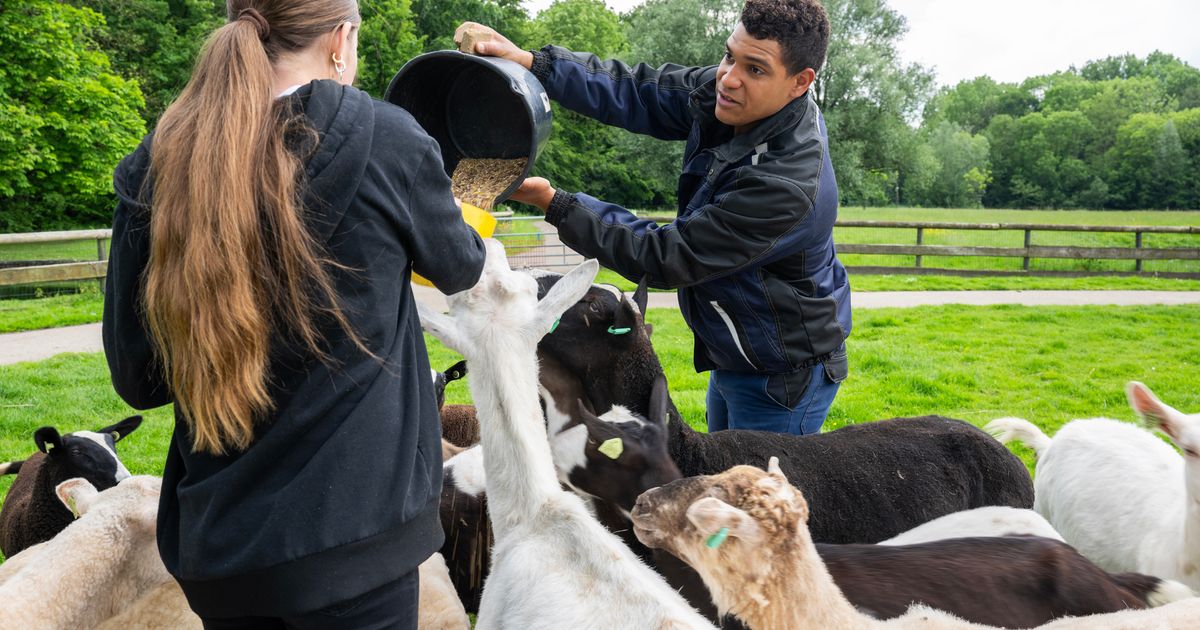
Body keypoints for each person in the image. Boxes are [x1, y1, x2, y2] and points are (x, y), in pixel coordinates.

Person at [102, 1, 486, 627]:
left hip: (223, 557)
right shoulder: (388, 139)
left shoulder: (159, 161)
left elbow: (138, 378)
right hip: (359, 545)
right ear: (341, 40)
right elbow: (462, 266)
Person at [459, 0, 850, 436]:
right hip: (738, 355)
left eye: (755, 70)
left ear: (801, 82)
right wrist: (535, 65)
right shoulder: (731, 95)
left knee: (755, 499)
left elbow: (665, 254)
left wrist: (555, 203)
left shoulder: (787, 184)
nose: (729, 77)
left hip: (780, 373)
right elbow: (639, 91)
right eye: (728, 55)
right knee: (716, 477)